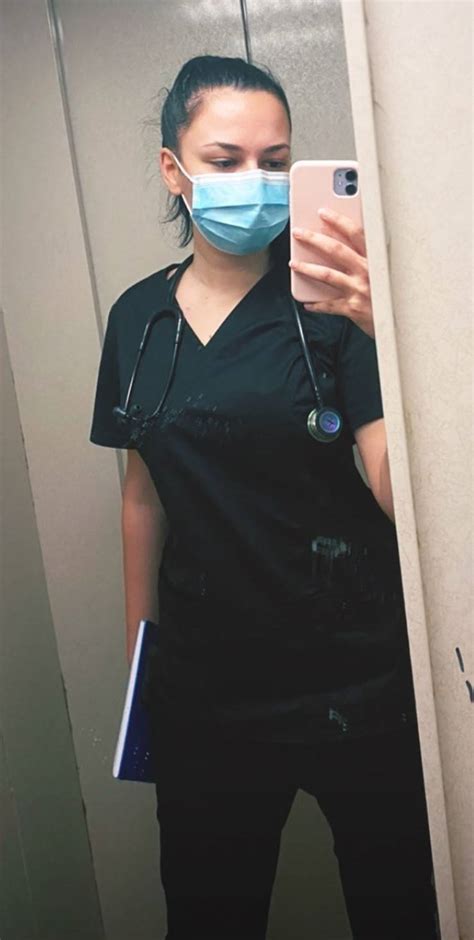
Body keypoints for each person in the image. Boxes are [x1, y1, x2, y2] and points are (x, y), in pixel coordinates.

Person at [89, 55, 439, 940]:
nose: (257, 180)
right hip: (205, 695)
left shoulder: (338, 307)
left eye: (276, 161)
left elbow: (398, 491)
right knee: (210, 916)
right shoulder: (137, 319)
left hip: (360, 685)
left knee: (401, 911)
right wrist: (142, 656)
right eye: (225, 159)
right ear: (174, 170)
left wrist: (391, 333)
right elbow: (144, 495)